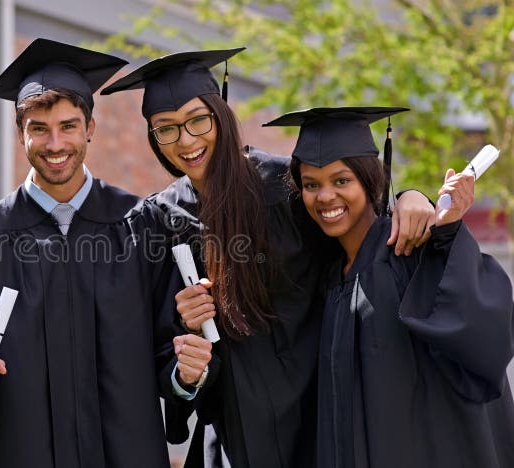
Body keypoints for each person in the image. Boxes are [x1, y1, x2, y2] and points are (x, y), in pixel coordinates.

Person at [101, 51, 437, 467]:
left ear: (220, 114)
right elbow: (164, 360)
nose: (186, 141)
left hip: (319, 415)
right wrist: (189, 340)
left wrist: (411, 195)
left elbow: (359, 224)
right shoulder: (157, 222)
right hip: (231, 435)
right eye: (166, 129)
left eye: (197, 120)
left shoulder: (288, 188)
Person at [0, 38, 210, 468]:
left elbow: (170, 351)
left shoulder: (141, 224)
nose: (55, 143)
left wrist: (186, 373)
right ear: (20, 135)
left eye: (68, 126)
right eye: (39, 128)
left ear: (90, 128)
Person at [267, 106, 514, 468]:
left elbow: (484, 338)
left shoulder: (409, 251)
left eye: (341, 181)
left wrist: (444, 232)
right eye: (311, 185)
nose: (325, 197)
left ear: (369, 180)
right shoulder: (329, 273)